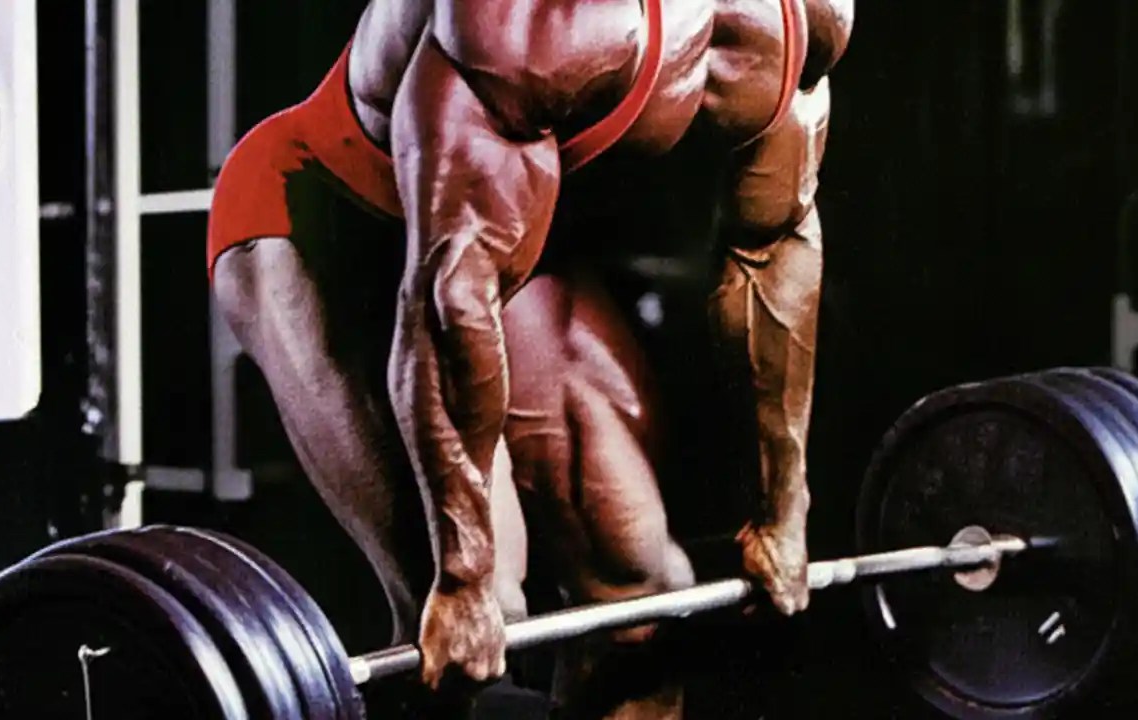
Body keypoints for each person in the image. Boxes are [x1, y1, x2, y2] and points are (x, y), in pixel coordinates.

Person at [207, 0, 853, 717]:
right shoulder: (526, 18)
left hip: (503, 243)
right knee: (473, 631)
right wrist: (463, 575)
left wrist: (781, 514)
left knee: (646, 596)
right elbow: (445, 292)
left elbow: (772, 251)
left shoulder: (799, 17)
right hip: (325, 220)